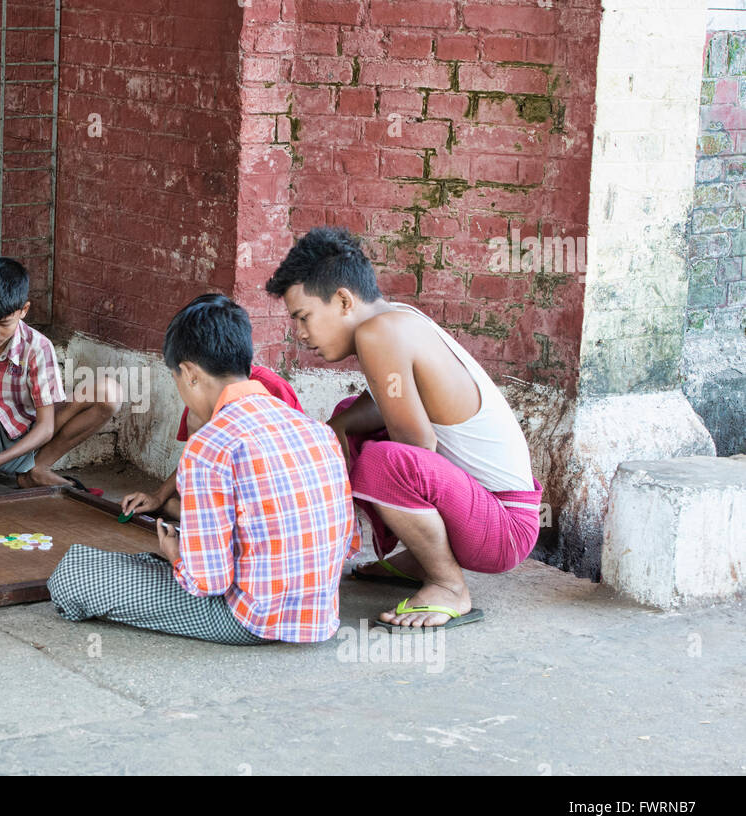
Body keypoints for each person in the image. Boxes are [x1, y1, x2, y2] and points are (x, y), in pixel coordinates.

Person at [265, 227, 542, 630]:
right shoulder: (394, 318)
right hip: (489, 513)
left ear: (343, 299)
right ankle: (419, 554)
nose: (302, 333)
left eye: (303, 317)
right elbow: (373, 409)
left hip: (503, 528)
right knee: (350, 421)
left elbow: (417, 447)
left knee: (382, 462)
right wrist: (336, 430)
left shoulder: (379, 333)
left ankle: (448, 585)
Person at [47, 294, 358, 644]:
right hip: (319, 613)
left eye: (176, 380)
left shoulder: (210, 444)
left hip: (249, 620)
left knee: (72, 575)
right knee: (102, 559)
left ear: (191, 374)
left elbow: (207, 582)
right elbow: (349, 543)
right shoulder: (316, 430)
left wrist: (176, 555)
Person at [0, 256, 121, 498]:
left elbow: (46, 427)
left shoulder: (38, 347)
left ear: (23, 310)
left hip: (30, 437)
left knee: (108, 393)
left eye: (4, 323)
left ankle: (35, 470)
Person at [120, 297, 306, 520]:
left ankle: (186, 509)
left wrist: (175, 547)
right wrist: (159, 497)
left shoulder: (273, 388)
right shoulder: (323, 434)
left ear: (189, 373)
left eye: (174, 377)